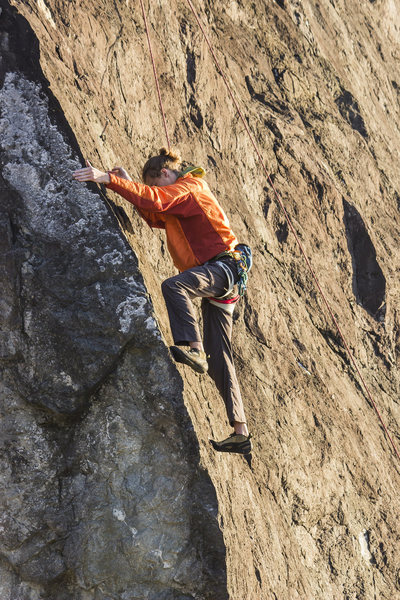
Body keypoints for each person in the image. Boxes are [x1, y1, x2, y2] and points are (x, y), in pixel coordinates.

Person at [72, 149, 252, 455]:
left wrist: (107, 179)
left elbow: (156, 199)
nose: (159, 189)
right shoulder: (180, 194)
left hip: (222, 269)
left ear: (165, 174)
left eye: (156, 183)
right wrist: (125, 183)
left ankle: (194, 349)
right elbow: (156, 215)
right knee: (220, 357)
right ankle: (241, 431)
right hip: (224, 278)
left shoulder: (190, 187)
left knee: (174, 286)